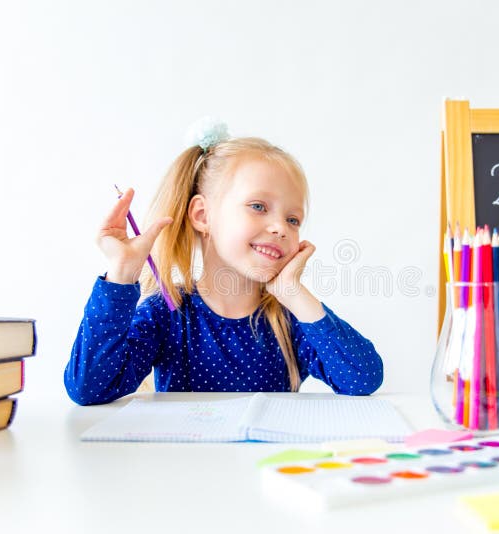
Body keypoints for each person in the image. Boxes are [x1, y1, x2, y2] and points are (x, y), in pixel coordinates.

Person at [65, 119, 383, 405]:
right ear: (203, 215)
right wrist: (121, 273)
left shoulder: (288, 320)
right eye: (258, 206)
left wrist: (294, 292)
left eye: (293, 219)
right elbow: (89, 389)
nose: (280, 228)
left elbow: (362, 379)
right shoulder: (167, 313)